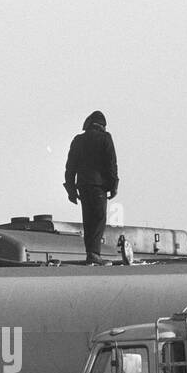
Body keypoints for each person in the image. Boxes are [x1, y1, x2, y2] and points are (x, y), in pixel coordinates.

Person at [63, 110, 119, 264]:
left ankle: (91, 254)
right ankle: (94, 254)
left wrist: (71, 190)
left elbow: (70, 167)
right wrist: (114, 185)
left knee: (88, 221)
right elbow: (111, 164)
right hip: (98, 186)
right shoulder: (105, 138)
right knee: (98, 219)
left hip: (82, 185)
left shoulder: (78, 140)